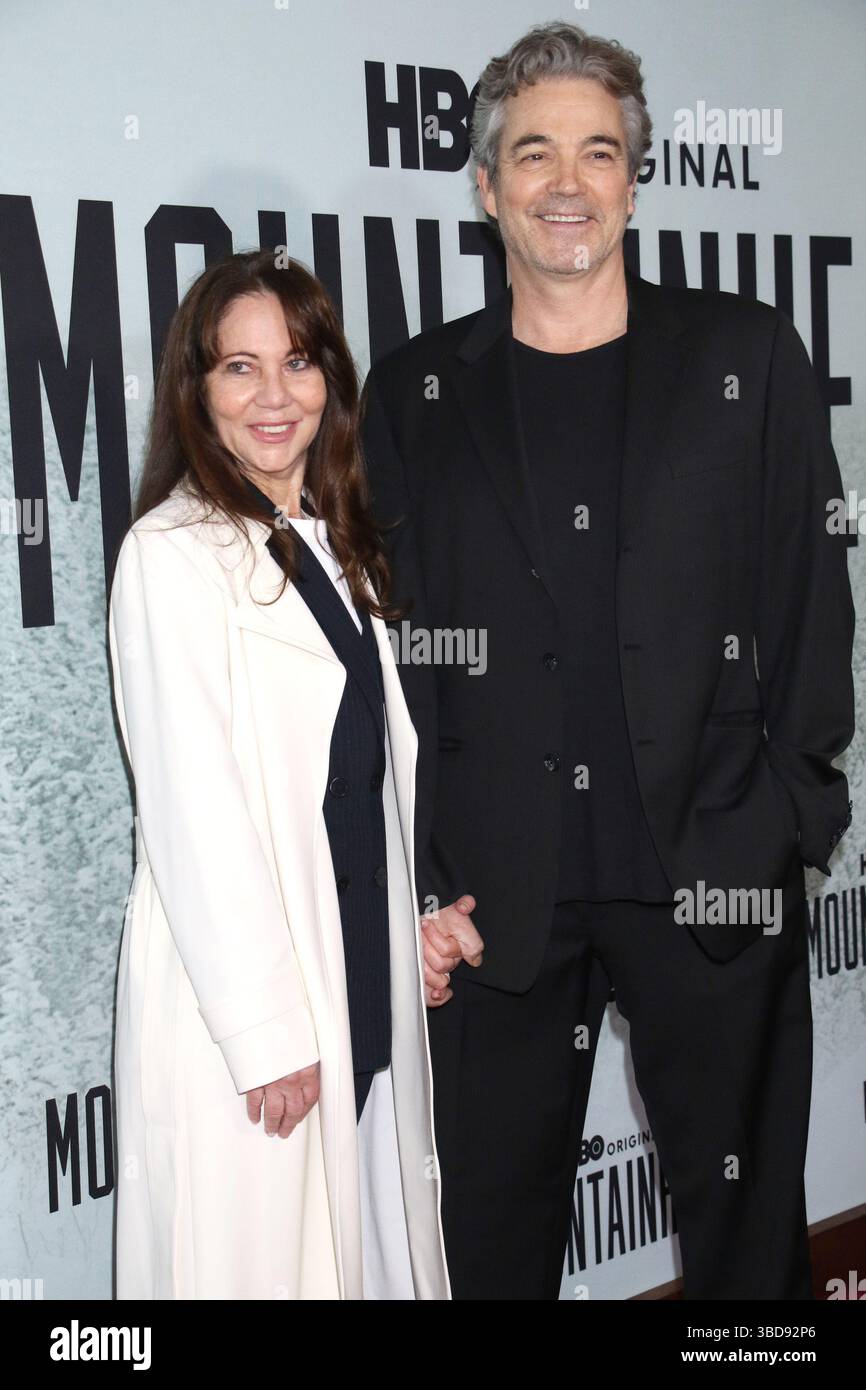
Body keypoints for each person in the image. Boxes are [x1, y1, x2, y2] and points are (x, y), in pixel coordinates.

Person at [360, 21, 855, 1299]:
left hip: (710, 879)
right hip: (495, 911)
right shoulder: (416, 395)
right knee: (494, 1252)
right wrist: (422, 885)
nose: (565, 182)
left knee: (747, 1253)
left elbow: (808, 606)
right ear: (486, 188)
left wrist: (789, 819)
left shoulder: (744, 360)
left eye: (595, 150)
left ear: (634, 179)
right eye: (532, 155)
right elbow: (397, 661)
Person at [108, 248, 455, 1299]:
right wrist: (264, 1033)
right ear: (194, 390)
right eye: (238, 368)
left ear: (331, 383)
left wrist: (413, 923)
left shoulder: (330, 542)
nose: (274, 396)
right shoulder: (170, 555)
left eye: (298, 363)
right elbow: (193, 810)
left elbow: (360, 777)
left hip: (355, 982)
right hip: (253, 1015)